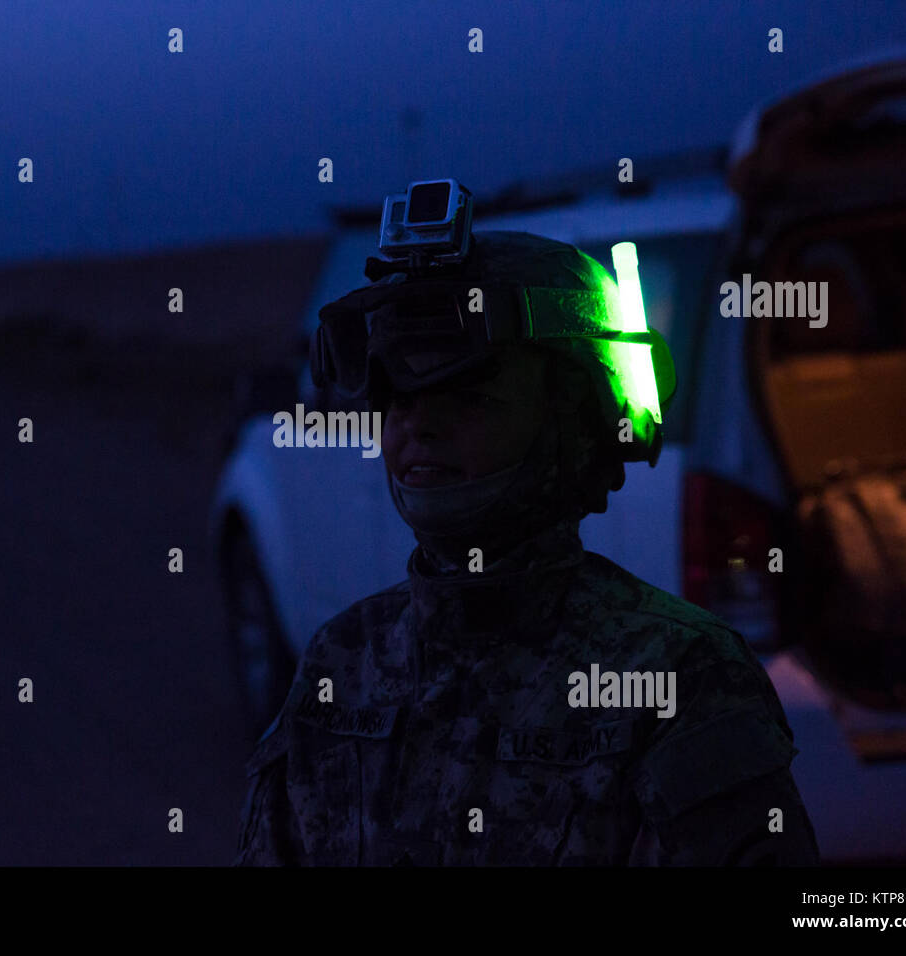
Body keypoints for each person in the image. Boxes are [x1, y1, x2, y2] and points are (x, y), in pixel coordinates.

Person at [233, 224, 820, 866]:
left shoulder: (678, 674)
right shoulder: (341, 662)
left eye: (471, 399)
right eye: (398, 398)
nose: (420, 426)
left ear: (573, 425)